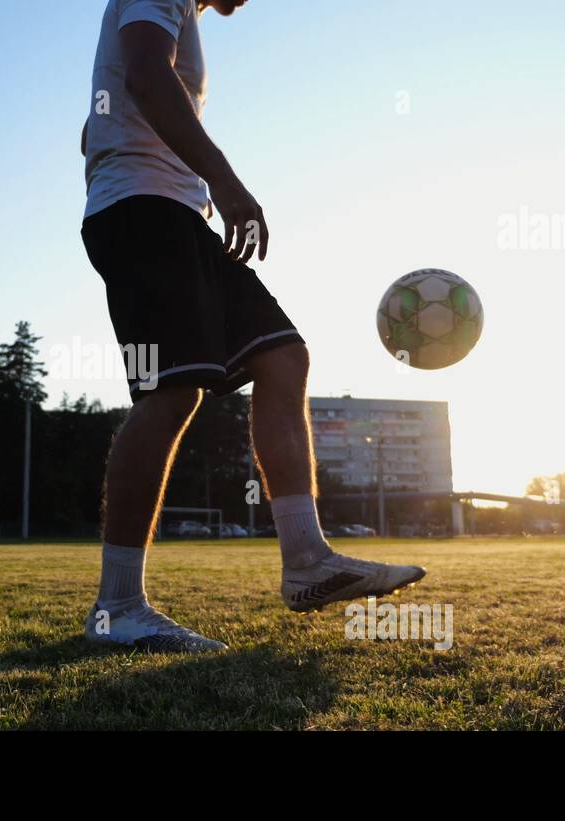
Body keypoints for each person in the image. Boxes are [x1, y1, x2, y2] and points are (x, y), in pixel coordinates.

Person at [79, 0, 426, 652]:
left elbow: (108, 107)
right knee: (170, 391)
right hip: (142, 211)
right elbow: (145, 77)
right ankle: (117, 607)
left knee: (282, 356)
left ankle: (307, 560)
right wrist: (225, 180)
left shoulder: (182, 11)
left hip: (173, 213)